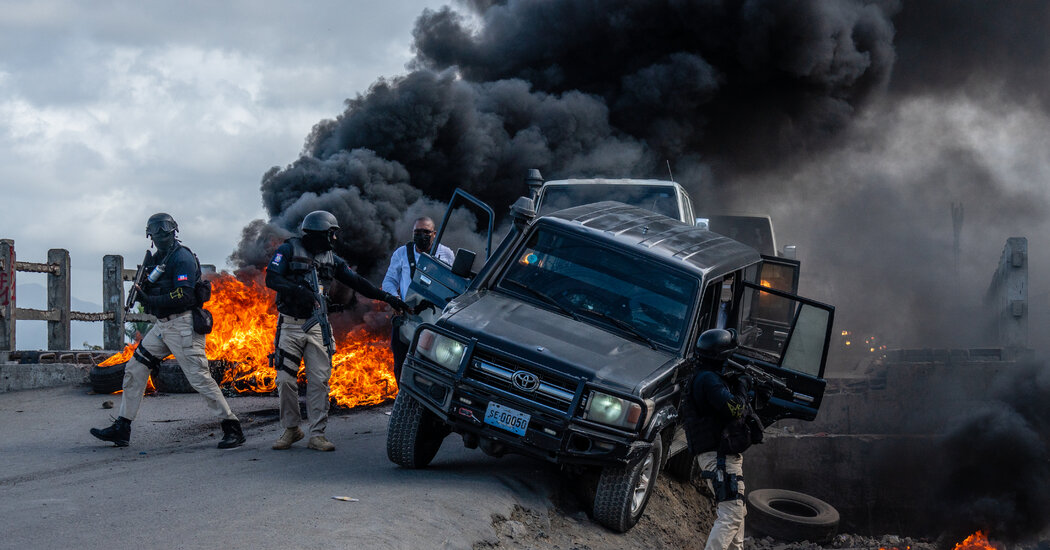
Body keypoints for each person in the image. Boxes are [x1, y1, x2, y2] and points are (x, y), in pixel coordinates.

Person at [91, 213, 245, 449]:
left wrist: (149, 297)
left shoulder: (181, 258)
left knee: (200, 379)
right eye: (157, 234)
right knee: (135, 367)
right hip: (163, 326)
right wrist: (145, 293)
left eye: (165, 233)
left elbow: (183, 294)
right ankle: (122, 427)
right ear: (150, 237)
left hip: (183, 325)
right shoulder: (156, 259)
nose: (162, 237)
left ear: (173, 233)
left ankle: (232, 427)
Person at [265, 210, 408, 451]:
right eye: (331, 234)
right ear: (319, 234)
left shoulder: (332, 259)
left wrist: (387, 298)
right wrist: (300, 291)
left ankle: (317, 434)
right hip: (290, 324)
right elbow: (272, 278)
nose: (334, 239)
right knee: (285, 380)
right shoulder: (288, 250)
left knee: (319, 381)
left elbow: (358, 282)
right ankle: (291, 429)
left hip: (317, 325)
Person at [682, 328, 762, 550]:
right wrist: (743, 386)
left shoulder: (705, 377)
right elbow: (735, 409)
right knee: (731, 514)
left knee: (738, 513)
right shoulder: (708, 380)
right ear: (722, 357)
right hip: (719, 459)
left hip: (720, 457)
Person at [381, 216, 454, 381]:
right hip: (406, 315)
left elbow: (453, 284)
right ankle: (402, 398)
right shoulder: (402, 253)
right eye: (417, 232)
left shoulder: (446, 253)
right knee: (401, 362)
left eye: (426, 232)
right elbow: (389, 281)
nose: (422, 236)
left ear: (434, 234)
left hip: (434, 319)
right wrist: (395, 299)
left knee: (431, 364)